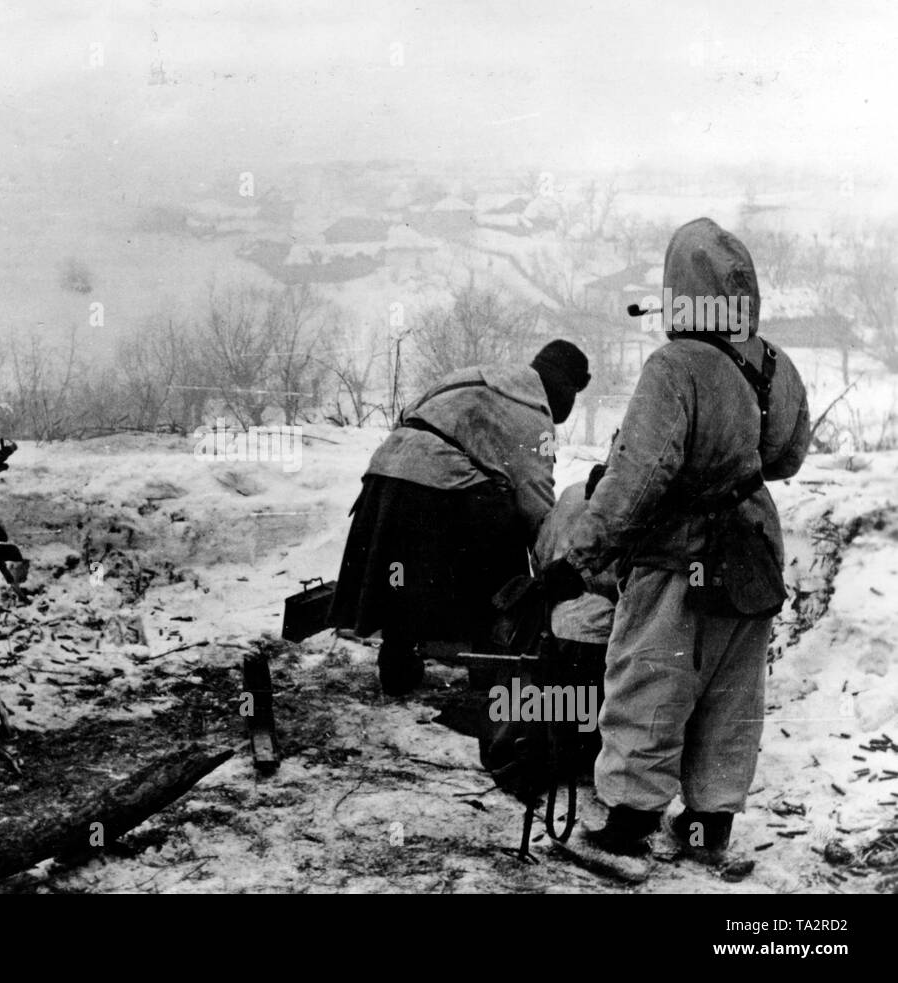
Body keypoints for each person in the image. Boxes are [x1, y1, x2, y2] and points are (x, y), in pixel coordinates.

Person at [551, 217, 811, 863]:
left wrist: (580, 556)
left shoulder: (675, 364)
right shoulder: (776, 362)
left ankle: (625, 833)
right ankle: (706, 831)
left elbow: (640, 473)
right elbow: (785, 460)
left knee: (653, 683)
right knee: (731, 694)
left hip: (677, 551)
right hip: (751, 550)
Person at [329, 339, 591, 696]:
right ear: (565, 388)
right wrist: (552, 570)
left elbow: (409, 413)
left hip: (385, 477)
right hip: (436, 492)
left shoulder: (475, 378)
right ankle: (492, 657)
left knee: (400, 577)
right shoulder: (533, 417)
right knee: (501, 523)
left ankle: (399, 655)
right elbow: (535, 498)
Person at [533, 463, 616, 774]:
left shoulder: (571, 493)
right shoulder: (647, 505)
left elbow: (540, 556)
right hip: (603, 640)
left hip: (556, 625)